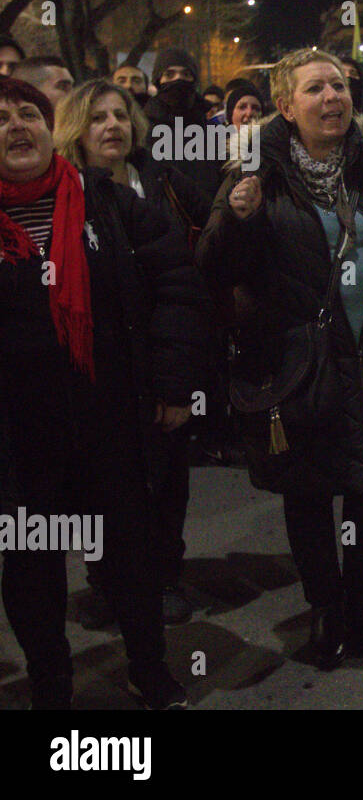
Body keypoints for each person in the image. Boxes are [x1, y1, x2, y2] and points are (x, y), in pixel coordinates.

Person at [196, 49, 363, 671]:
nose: (332, 98)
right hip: (299, 367)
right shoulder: (255, 173)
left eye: (338, 86)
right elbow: (215, 270)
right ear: (285, 106)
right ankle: (325, 608)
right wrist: (239, 222)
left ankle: (361, 605)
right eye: (315, 90)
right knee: (309, 493)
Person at [1, 76, 210, 708]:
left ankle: (148, 666)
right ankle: (50, 682)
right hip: (18, 433)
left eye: (28, 114)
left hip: (109, 418)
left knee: (131, 553)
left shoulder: (106, 201)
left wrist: (175, 383)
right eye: (1, 117)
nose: (16, 125)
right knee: (32, 564)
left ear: (48, 128)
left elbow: (176, 282)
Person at [53, 79, 211, 626]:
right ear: (76, 128)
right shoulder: (60, 193)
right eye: (97, 118)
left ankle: (164, 576)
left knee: (167, 478)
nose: (112, 126)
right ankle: (106, 580)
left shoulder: (161, 182)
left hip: (161, 354)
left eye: (120, 115)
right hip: (95, 367)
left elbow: (193, 266)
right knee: (100, 482)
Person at [144, 48, 226, 202]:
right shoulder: (144, 129)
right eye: (170, 74)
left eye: (186, 74)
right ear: (158, 80)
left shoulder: (213, 132)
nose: (178, 80)